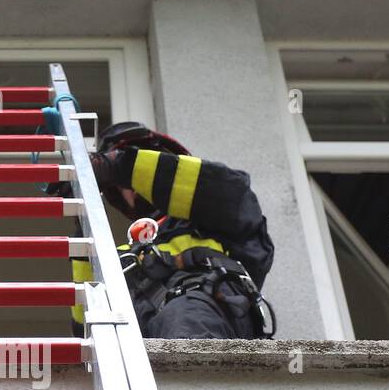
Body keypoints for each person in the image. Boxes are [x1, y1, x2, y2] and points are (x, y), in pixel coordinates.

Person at [76, 122, 276, 339]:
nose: (132, 183)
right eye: (122, 182)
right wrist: (81, 226)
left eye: (144, 161)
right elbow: (86, 325)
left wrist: (118, 167)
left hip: (201, 319)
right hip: (145, 349)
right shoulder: (123, 254)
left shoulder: (211, 215)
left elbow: (227, 190)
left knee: (186, 321)